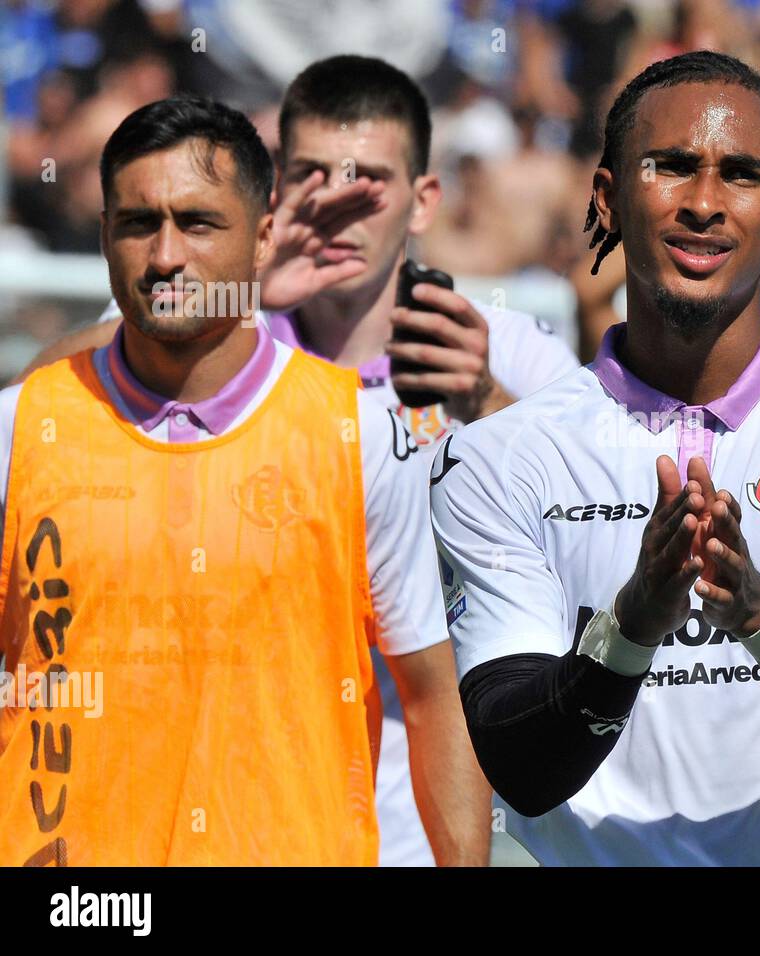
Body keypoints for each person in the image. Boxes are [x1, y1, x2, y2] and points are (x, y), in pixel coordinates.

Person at [15, 55, 575, 865]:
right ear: (276, 197)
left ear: (423, 202)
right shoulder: (209, 324)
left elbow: (601, 532)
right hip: (202, 808)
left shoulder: (499, 346)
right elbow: (44, 411)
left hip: (404, 814)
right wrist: (238, 288)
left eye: (367, 182)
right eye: (311, 175)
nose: (335, 205)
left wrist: (486, 403)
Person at [430, 51, 760, 866]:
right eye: (673, 167)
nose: (705, 204)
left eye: (743, 176)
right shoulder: (494, 458)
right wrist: (633, 629)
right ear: (610, 198)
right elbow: (522, 769)